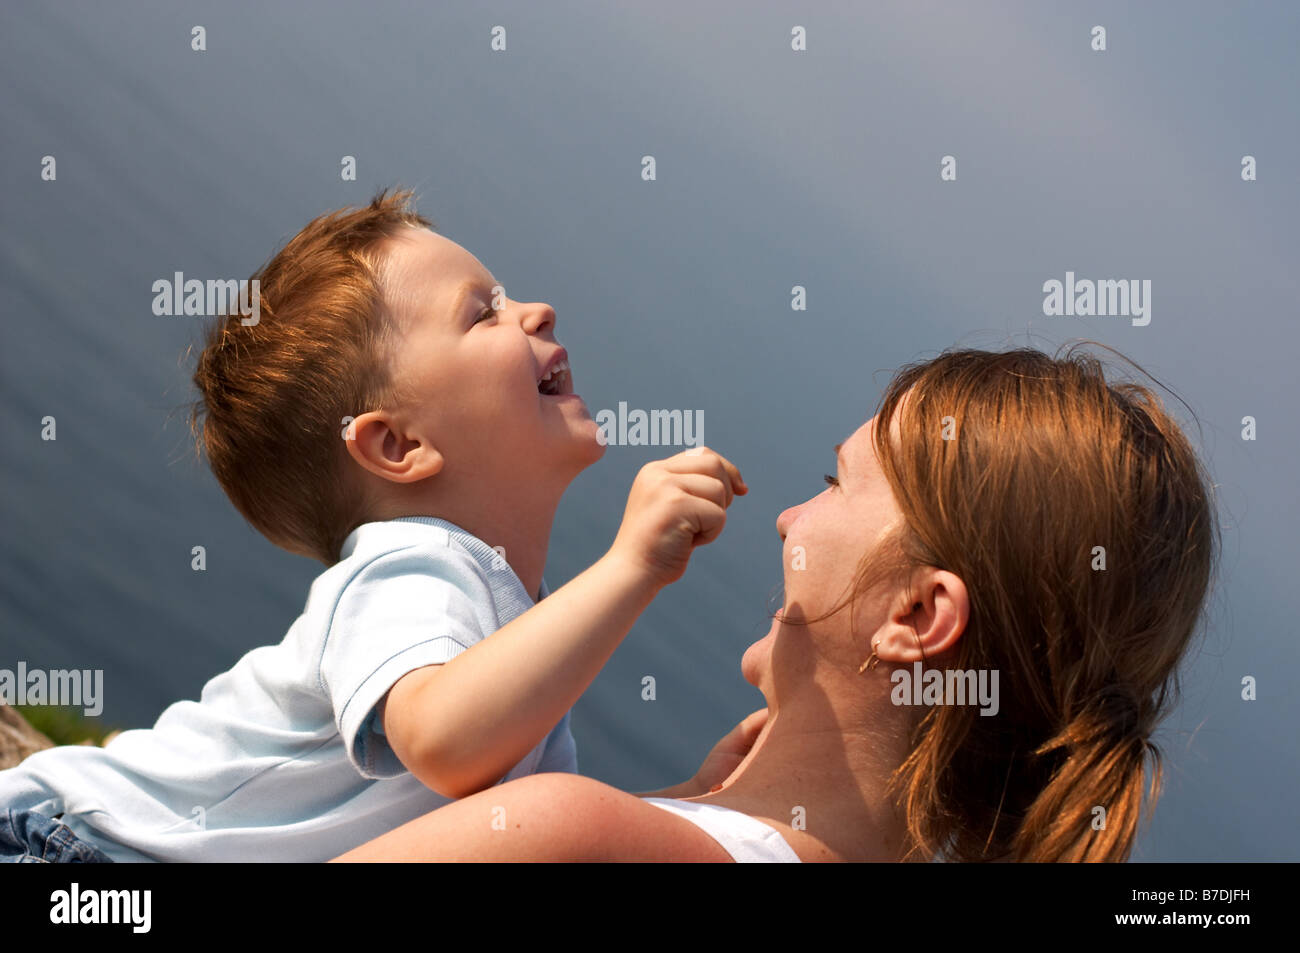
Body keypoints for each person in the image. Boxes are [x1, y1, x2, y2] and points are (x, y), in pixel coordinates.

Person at [0, 189, 747, 862]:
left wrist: (689, 804)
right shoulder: (410, 568)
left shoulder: (505, 639)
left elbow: (517, 836)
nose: (537, 309)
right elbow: (446, 744)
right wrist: (631, 565)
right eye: (483, 311)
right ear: (398, 446)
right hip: (80, 849)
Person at [333, 345, 1220, 862]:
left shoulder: (568, 833)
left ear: (916, 617)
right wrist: (688, 797)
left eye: (837, 484)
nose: (790, 515)